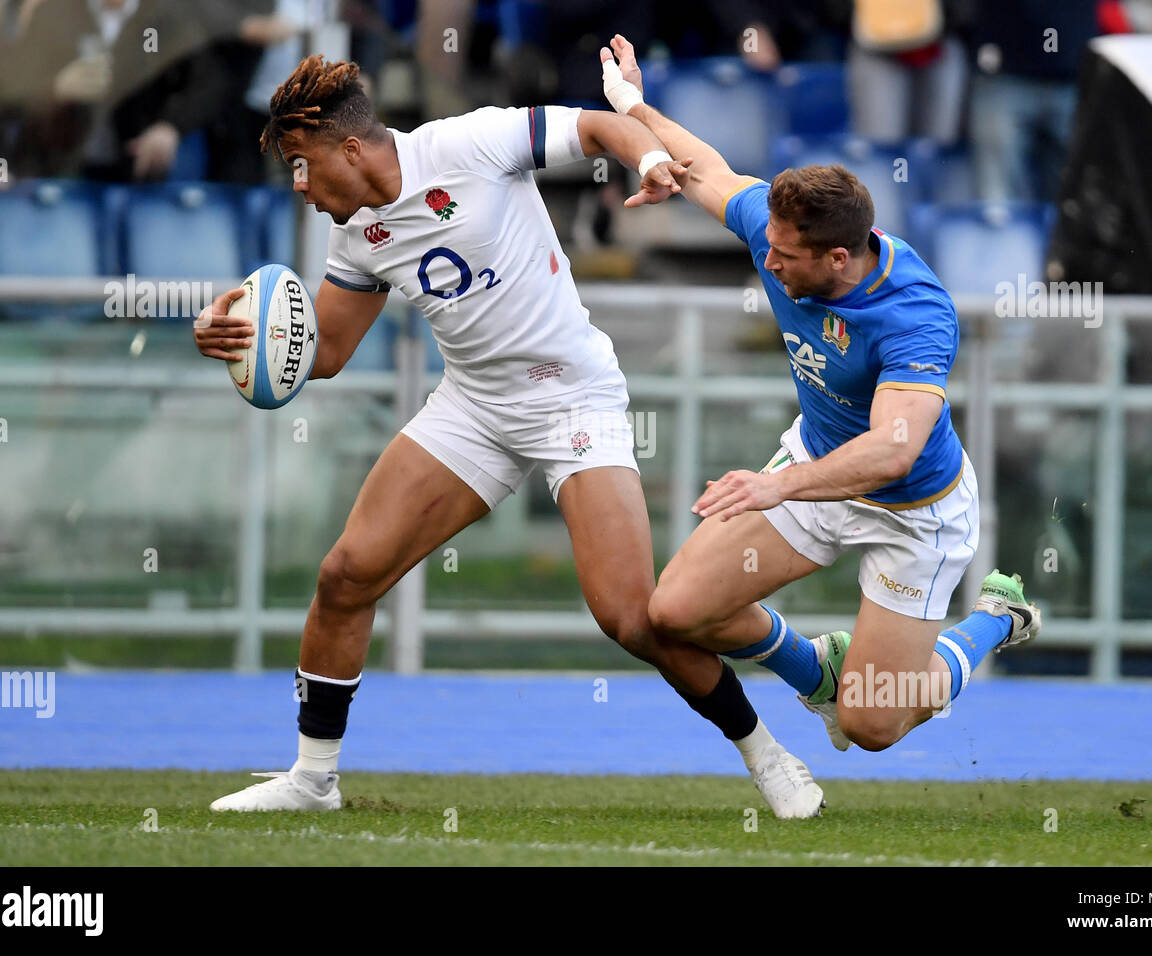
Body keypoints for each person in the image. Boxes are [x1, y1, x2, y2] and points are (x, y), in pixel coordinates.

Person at [197, 55, 826, 818]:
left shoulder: (469, 144)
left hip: (574, 401)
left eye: (301, 164)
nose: (297, 184)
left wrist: (652, 156)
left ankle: (769, 755)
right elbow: (323, 353)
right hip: (474, 408)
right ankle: (312, 780)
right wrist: (239, 338)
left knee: (632, 616)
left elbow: (598, 126)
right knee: (346, 576)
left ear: (351, 150)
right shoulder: (357, 238)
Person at [599, 35, 1041, 755]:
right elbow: (705, 169)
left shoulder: (917, 315)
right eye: (766, 244)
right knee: (677, 611)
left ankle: (997, 614)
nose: (767, 263)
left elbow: (893, 452)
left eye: (784, 256)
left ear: (839, 258)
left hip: (914, 512)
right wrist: (635, 107)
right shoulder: (781, 234)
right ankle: (817, 670)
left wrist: (781, 488)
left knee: (871, 724)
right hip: (816, 470)